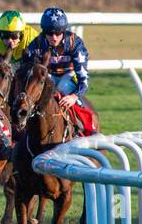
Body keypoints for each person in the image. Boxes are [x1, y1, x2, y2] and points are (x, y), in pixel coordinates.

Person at [23, 7, 98, 135]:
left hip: (69, 75)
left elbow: (83, 77)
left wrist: (74, 96)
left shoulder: (75, 43)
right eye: (50, 33)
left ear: (64, 31)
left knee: (63, 87)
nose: (54, 38)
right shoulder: (36, 44)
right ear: (44, 32)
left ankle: (87, 128)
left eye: (58, 33)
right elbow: (29, 73)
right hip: (48, 76)